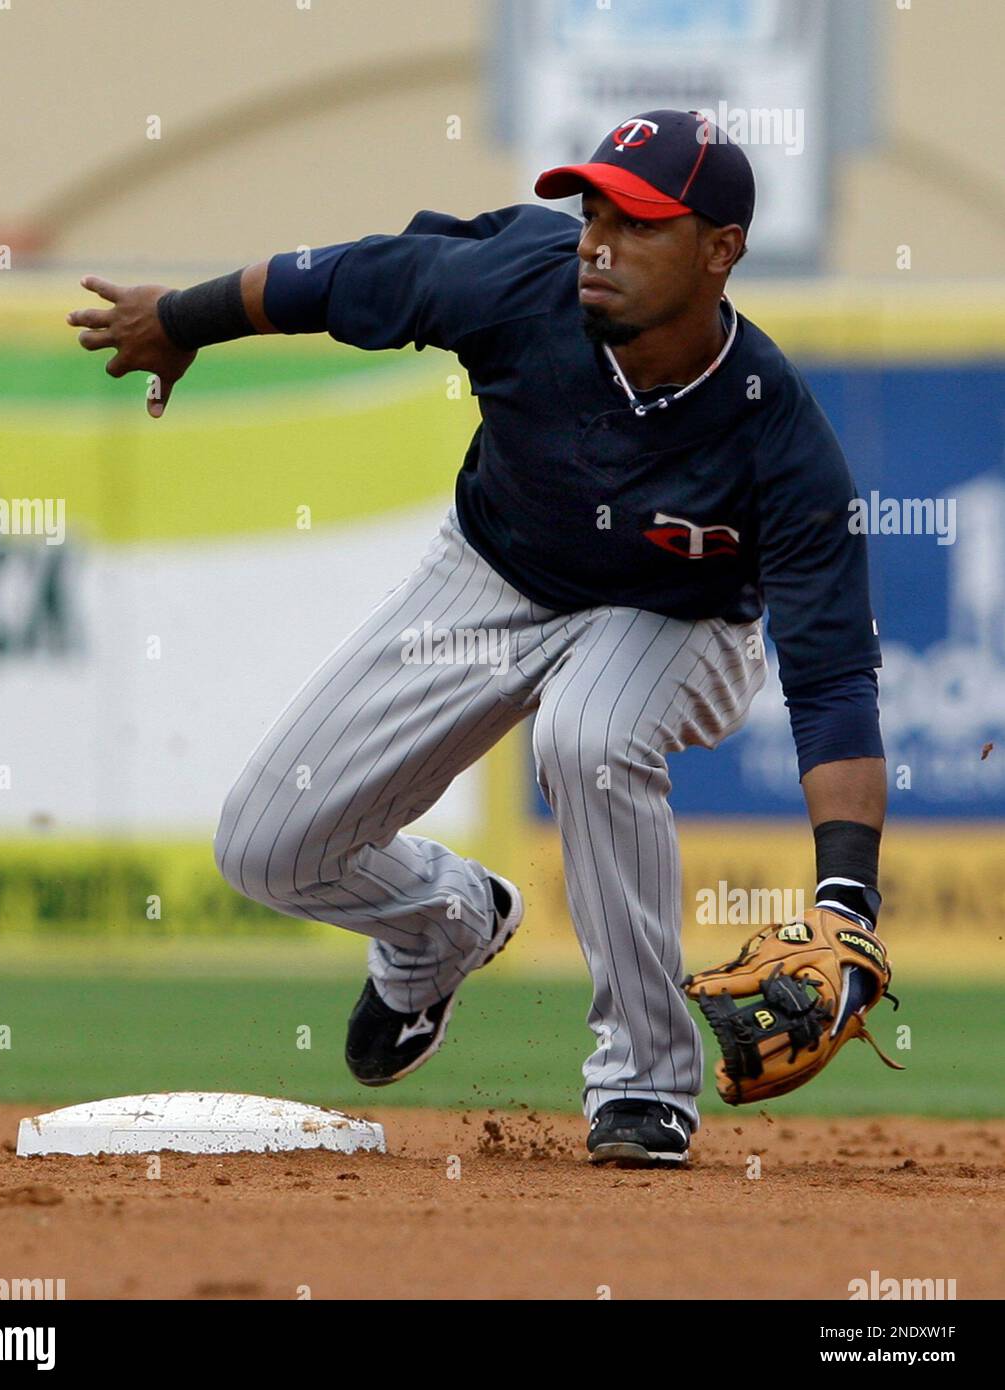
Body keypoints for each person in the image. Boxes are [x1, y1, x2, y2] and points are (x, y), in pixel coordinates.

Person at [68, 110, 885, 1168]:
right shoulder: (513, 283)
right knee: (266, 843)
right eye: (592, 212)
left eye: (638, 222)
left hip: (680, 624)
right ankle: (443, 925)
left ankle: (642, 1080)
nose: (599, 240)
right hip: (492, 576)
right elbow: (339, 276)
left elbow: (832, 685)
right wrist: (180, 318)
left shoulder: (779, 432)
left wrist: (848, 896)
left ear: (721, 249)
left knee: (588, 734)